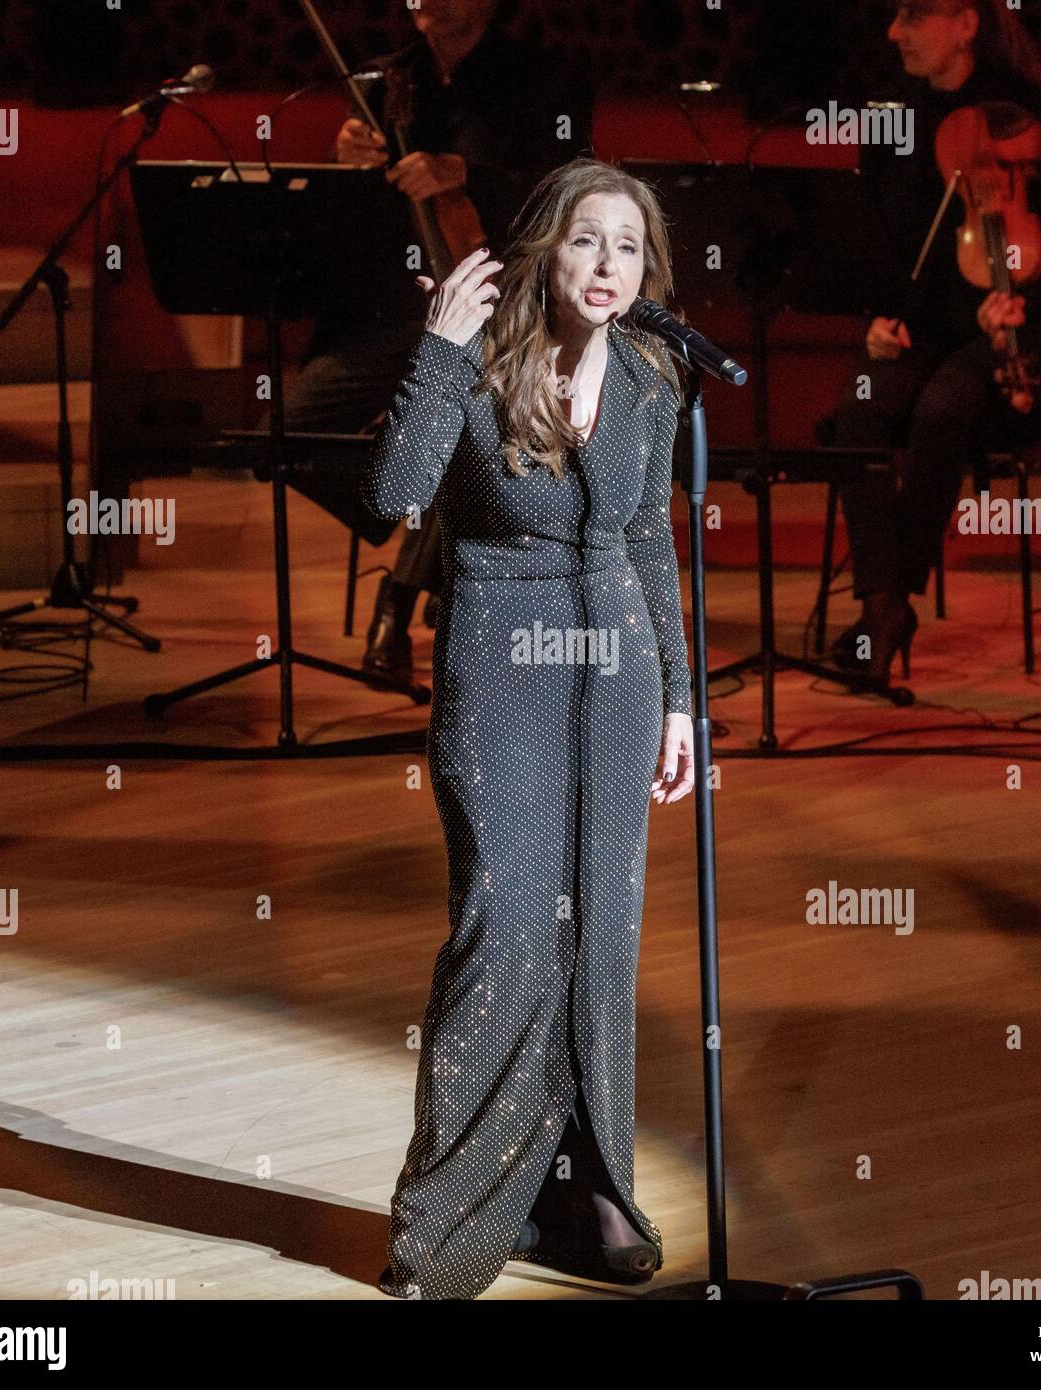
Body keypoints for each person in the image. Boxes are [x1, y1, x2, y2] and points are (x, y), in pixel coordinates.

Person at [362, 158, 695, 1300]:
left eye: (629, 249)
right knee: (502, 935)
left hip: (619, 677)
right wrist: (440, 350)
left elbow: (650, 539)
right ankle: (443, 1231)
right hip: (500, 666)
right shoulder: (475, 365)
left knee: (599, 936)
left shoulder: (652, 377)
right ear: (540, 252)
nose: (609, 268)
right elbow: (390, 494)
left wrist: (686, 701)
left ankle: (578, 1191)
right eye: (587, 243)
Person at [276, 0, 593, 685]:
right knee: (295, 428)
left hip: (497, 306)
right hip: (392, 309)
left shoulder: (545, 80)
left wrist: (465, 174)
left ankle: (400, 594)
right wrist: (345, 162)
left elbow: (568, 192)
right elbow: (345, 217)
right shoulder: (385, 81)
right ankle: (416, 515)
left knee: (472, 417)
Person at [831, 0, 1041, 682]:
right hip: (924, 329)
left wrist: (1024, 302)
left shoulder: (1027, 111)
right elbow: (875, 242)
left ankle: (888, 607)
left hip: (1016, 322)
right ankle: (883, 604)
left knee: (942, 412)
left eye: (912, 16)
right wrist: (877, 319)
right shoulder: (888, 116)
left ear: (965, 24)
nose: (892, 31)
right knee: (859, 409)